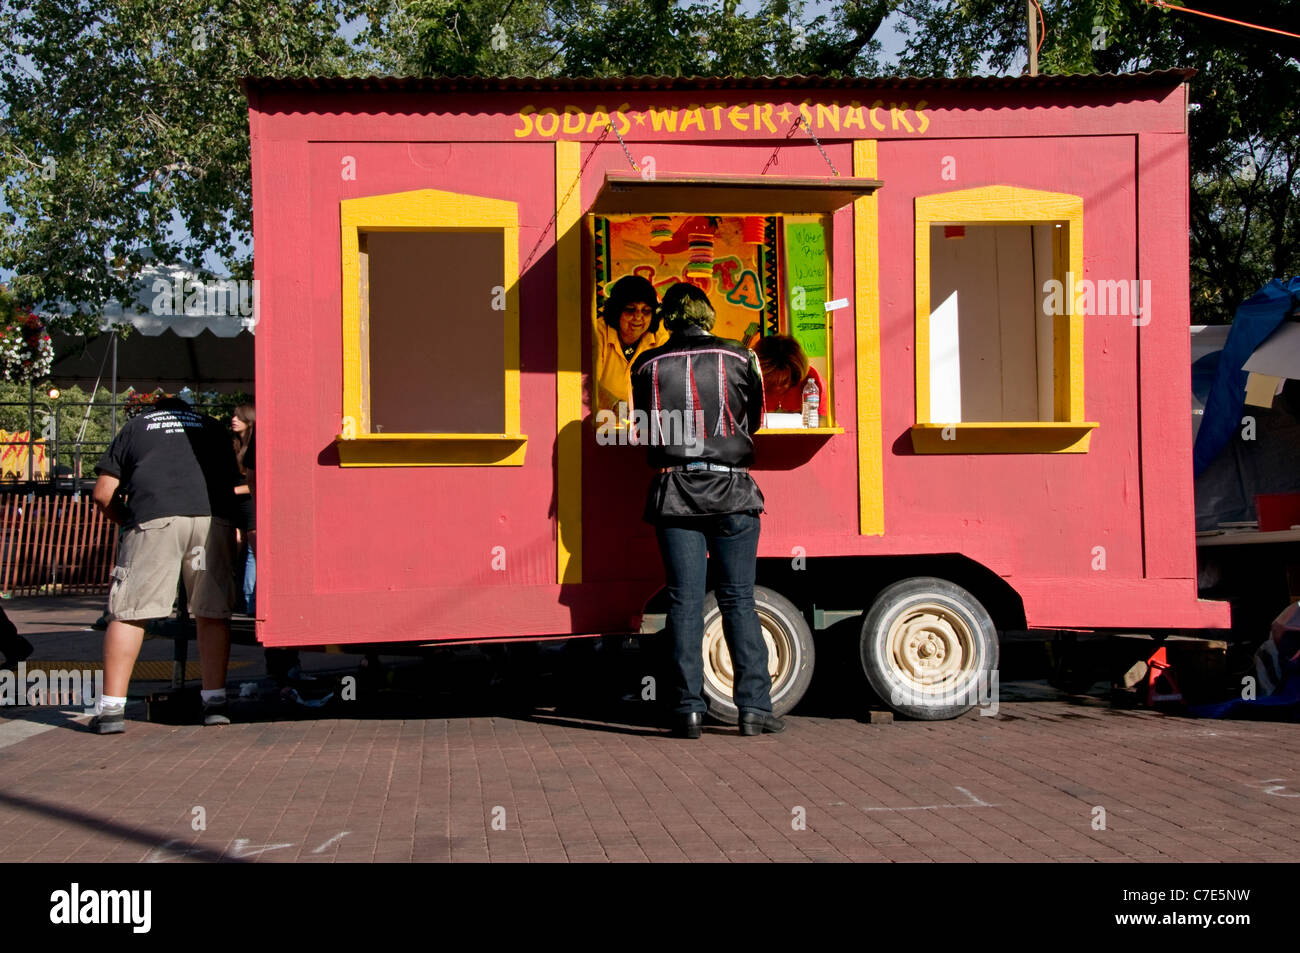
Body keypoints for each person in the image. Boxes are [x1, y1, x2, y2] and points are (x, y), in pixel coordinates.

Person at [629, 282, 785, 739]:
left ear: (668, 319)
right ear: (707, 314)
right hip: (733, 491)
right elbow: (753, 420)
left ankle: (687, 710)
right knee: (739, 599)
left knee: (684, 601)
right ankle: (754, 709)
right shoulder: (740, 358)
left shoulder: (646, 364)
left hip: (675, 492)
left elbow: (643, 429)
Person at [88, 396, 242, 733]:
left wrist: (126, 520)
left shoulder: (136, 427)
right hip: (211, 521)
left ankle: (112, 710)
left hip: (154, 519)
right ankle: (215, 702)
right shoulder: (214, 428)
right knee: (212, 611)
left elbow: (102, 492)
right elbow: (235, 483)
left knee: (130, 611)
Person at [595, 275, 670, 418]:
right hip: (600, 424)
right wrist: (616, 406)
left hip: (642, 425)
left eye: (646, 311)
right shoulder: (599, 332)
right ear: (616, 311)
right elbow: (589, 383)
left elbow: (665, 384)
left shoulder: (660, 337)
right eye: (630, 310)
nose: (638, 317)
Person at [753, 334, 825, 421]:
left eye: (785, 380)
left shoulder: (812, 381)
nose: (779, 387)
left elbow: (823, 422)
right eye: (771, 381)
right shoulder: (751, 379)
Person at [231, 402, 256, 616]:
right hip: (235, 505)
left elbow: (254, 482)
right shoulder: (234, 445)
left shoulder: (253, 446)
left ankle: (249, 603)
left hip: (247, 503)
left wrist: (232, 491)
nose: (233, 419)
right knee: (239, 550)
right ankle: (240, 600)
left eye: (239, 417)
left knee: (251, 552)